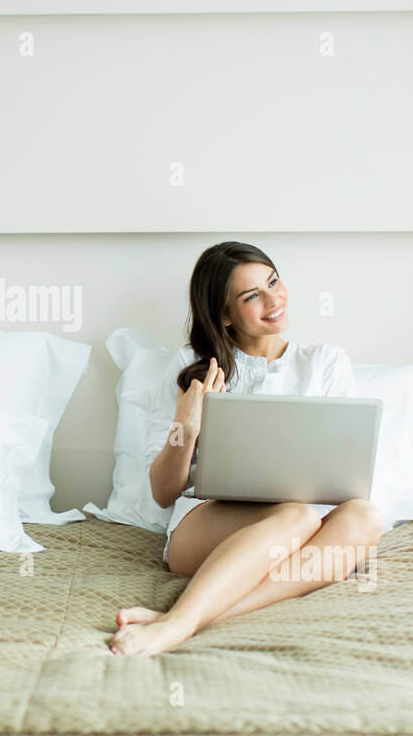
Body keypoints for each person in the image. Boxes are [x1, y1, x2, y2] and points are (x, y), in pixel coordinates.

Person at [109, 241, 384, 656]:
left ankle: (187, 618)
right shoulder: (193, 367)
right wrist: (187, 423)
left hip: (305, 524)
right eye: (252, 295)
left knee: (365, 516)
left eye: (273, 282)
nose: (273, 299)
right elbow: (163, 491)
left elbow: (346, 475)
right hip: (205, 525)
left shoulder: (326, 362)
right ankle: (182, 622)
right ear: (224, 314)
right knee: (296, 515)